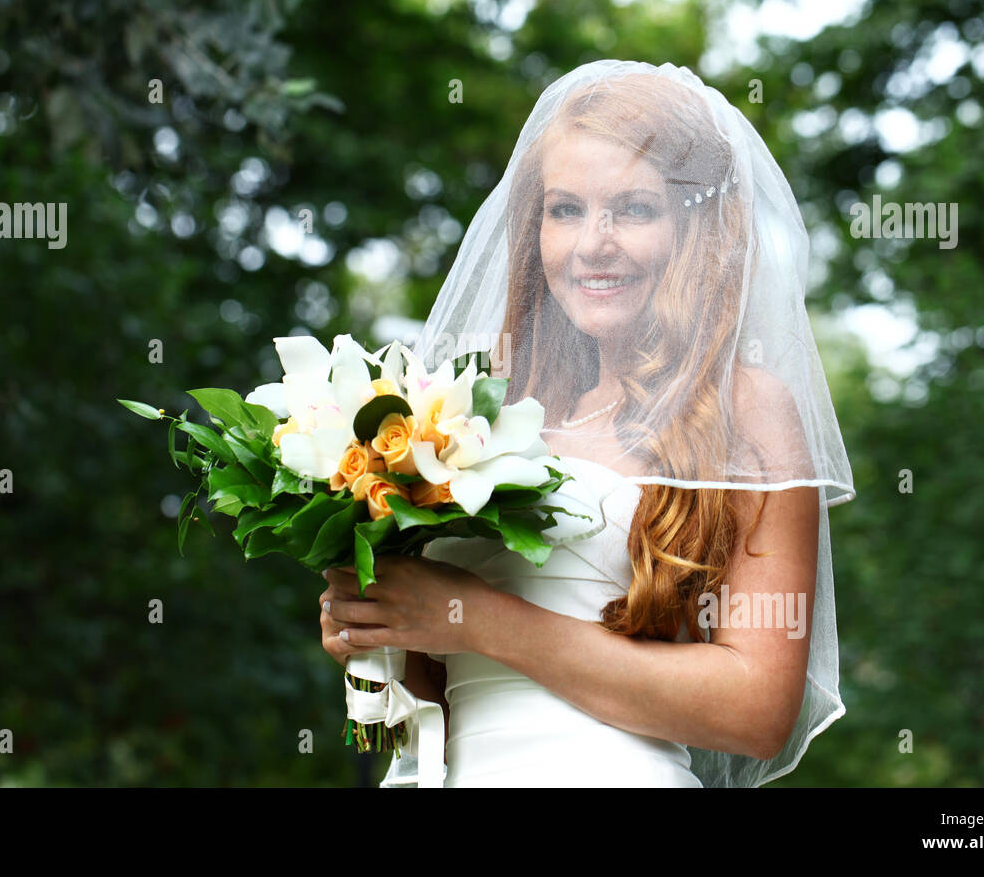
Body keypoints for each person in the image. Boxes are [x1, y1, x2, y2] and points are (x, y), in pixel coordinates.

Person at [318, 60, 855, 787]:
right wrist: (384, 629)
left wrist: (471, 618)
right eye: (565, 209)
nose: (593, 243)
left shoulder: (743, 406)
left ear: (694, 226)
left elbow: (755, 710)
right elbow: (454, 693)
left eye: (633, 209)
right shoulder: (477, 419)